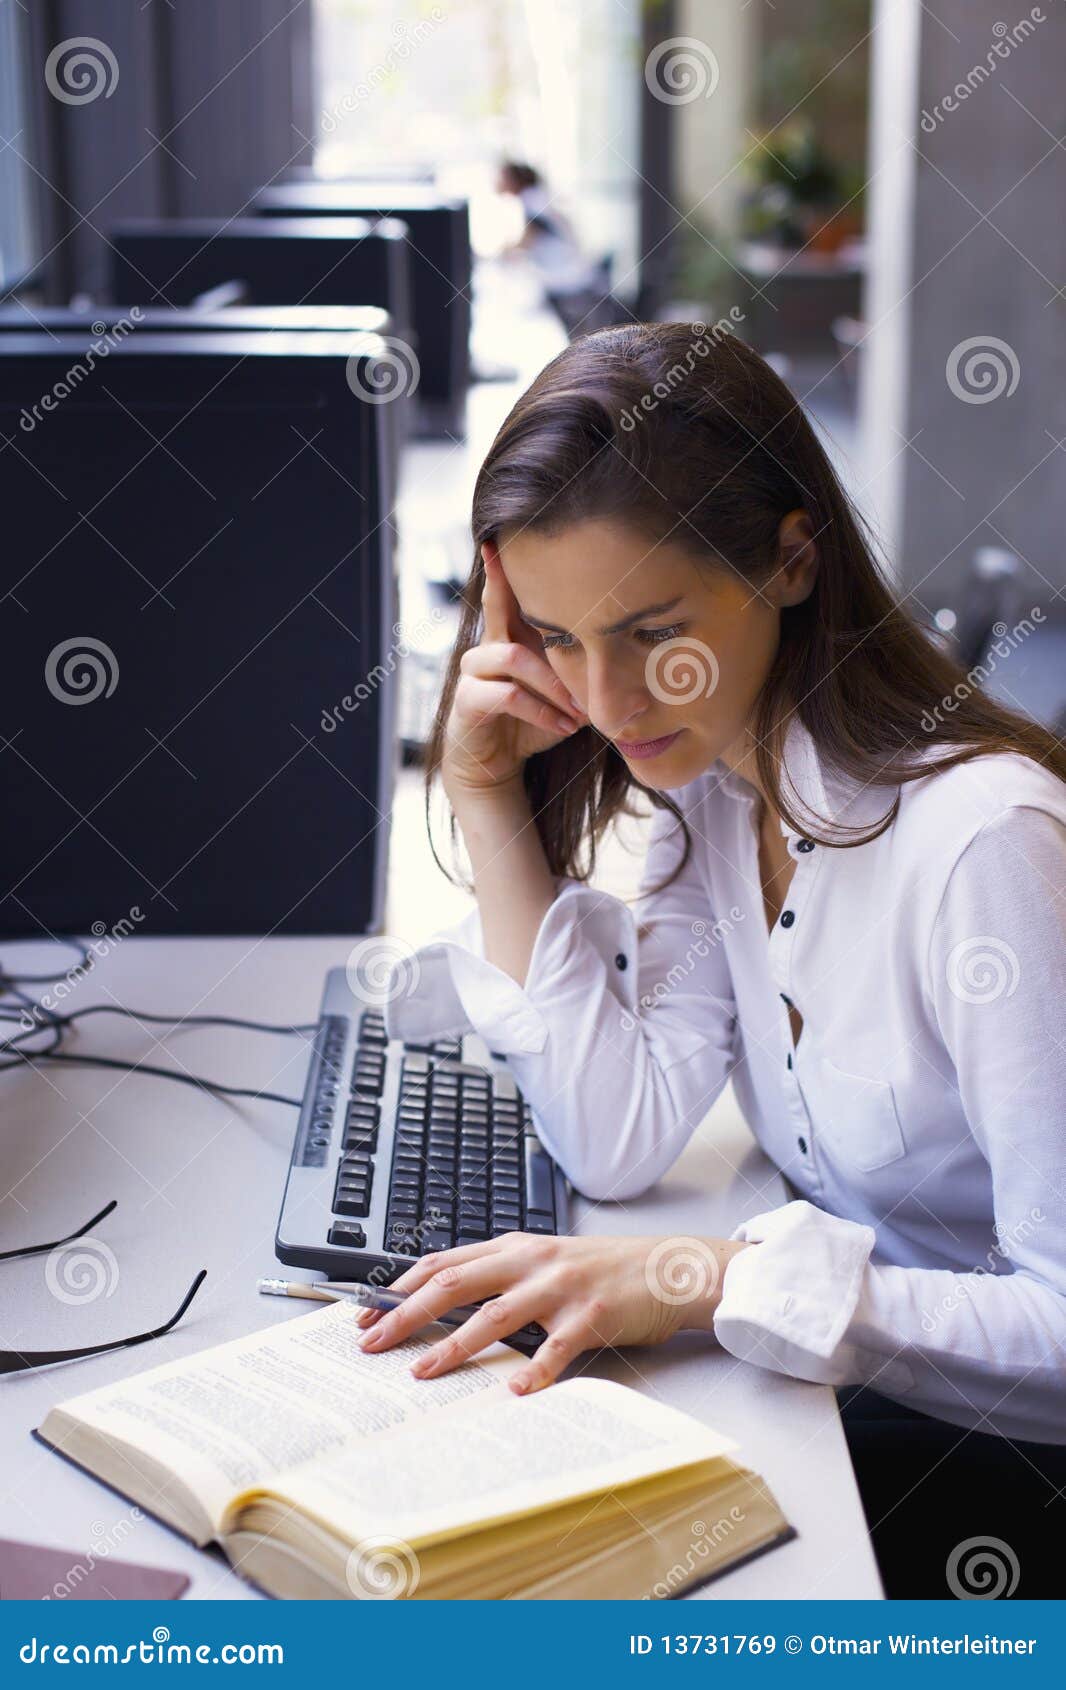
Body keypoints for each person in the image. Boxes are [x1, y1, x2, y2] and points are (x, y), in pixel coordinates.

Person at [358, 322, 1066, 1597]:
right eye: (561, 639)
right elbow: (617, 1133)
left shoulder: (984, 848)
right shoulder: (716, 800)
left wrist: (707, 1278)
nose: (609, 700)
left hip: (1014, 1473)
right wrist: (481, 793)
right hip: (870, 1409)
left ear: (792, 560)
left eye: (650, 629)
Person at [496, 159, 622, 338]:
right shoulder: (537, 197)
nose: (497, 182)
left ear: (515, 180)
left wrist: (501, 252)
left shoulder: (531, 200)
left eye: (502, 176)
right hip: (572, 274)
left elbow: (528, 239)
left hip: (566, 279)